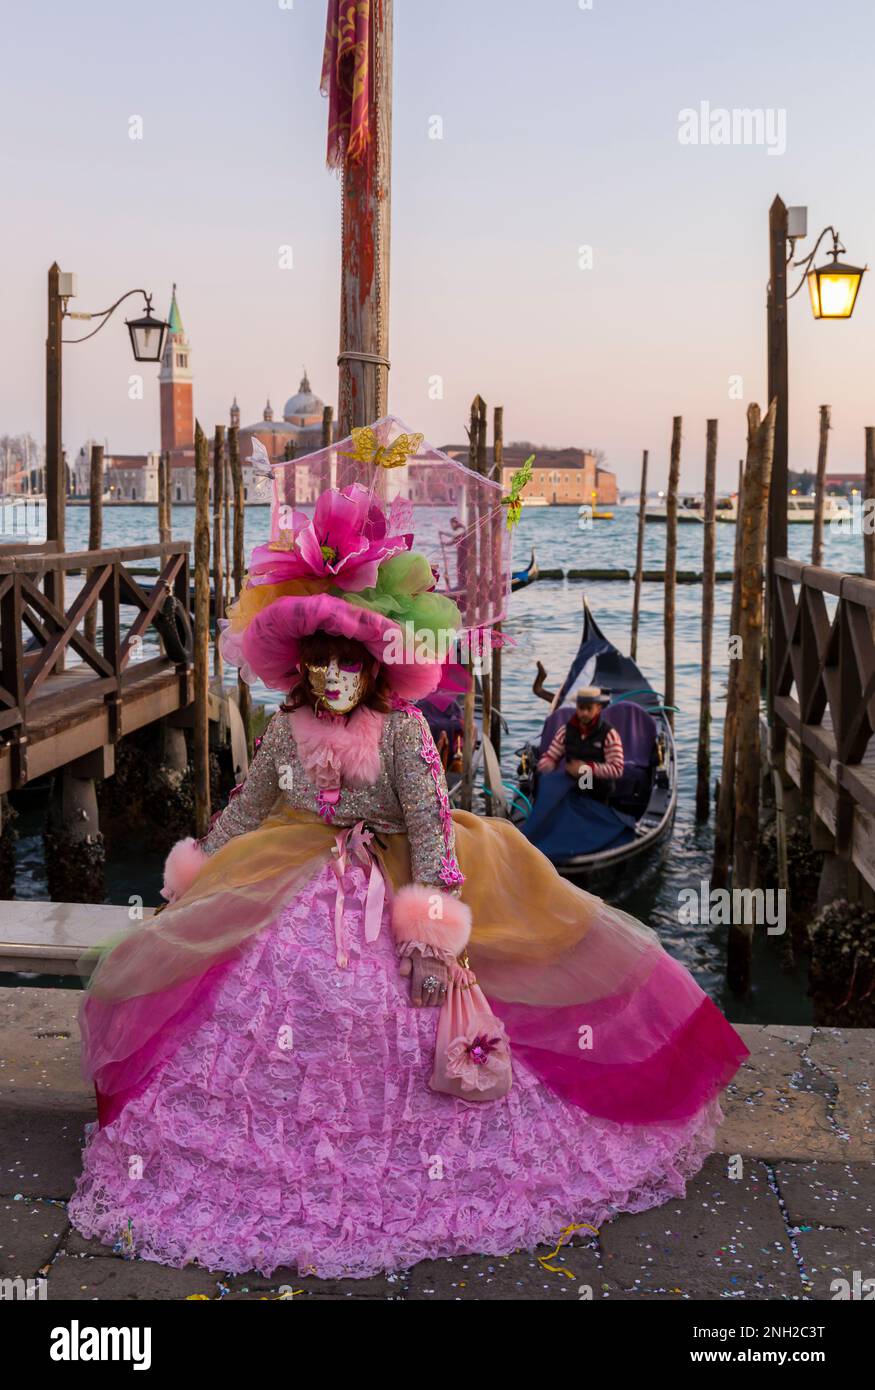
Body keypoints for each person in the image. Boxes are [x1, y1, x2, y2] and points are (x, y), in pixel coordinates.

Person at [68, 434, 748, 1281]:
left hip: (389, 883)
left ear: (372, 665)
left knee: (392, 1010)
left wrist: (429, 940)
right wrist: (197, 875)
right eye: (317, 666)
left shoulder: (402, 735)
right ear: (300, 671)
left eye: (346, 664)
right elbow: (249, 807)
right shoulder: (285, 729)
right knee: (260, 1000)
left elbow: (430, 831)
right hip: (292, 873)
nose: (333, 680)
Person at [538, 686, 623, 800]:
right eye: (581, 708)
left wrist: (587, 768)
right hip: (571, 790)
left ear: (598, 708)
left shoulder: (609, 734)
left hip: (599, 795)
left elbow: (617, 769)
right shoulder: (565, 731)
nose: (584, 713)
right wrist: (546, 764)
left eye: (589, 709)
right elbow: (552, 756)